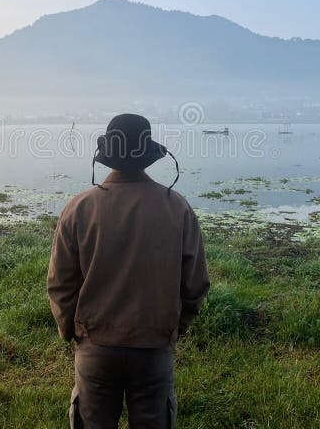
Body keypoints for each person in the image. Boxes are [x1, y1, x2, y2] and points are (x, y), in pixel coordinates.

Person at [47, 113, 210, 428]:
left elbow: (60, 284)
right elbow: (196, 284)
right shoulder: (177, 208)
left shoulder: (79, 208)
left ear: (108, 156)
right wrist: (175, 328)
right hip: (154, 347)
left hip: (94, 347)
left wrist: (71, 330)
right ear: (147, 156)